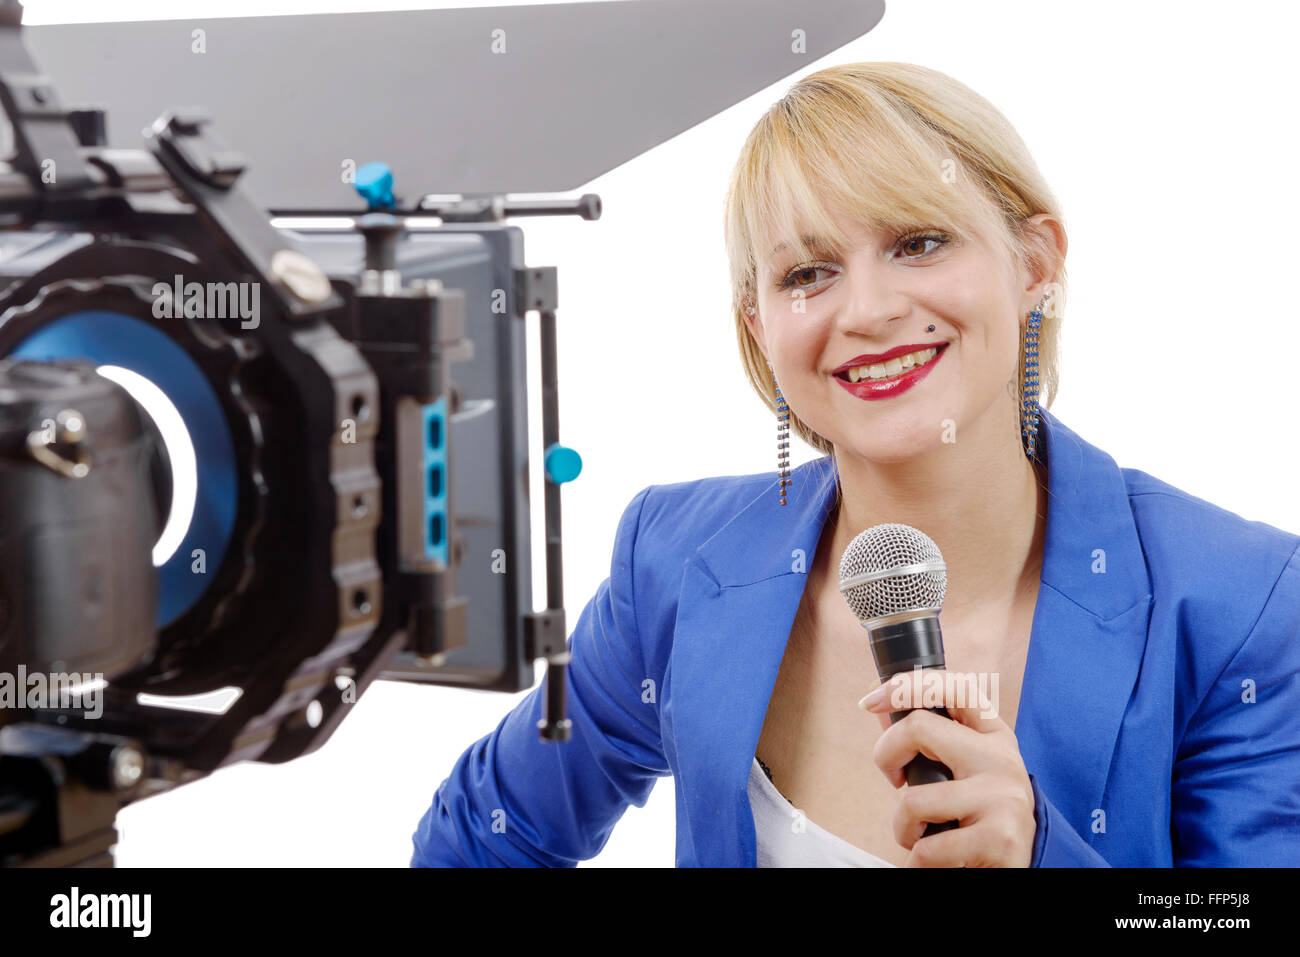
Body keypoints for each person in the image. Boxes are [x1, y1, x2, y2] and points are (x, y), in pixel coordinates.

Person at [410, 62, 1300, 867]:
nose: (868, 310)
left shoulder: (1242, 600)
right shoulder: (675, 562)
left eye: (918, 242)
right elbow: (481, 837)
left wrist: (1040, 857)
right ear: (758, 325)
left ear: (1035, 266)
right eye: (807, 272)